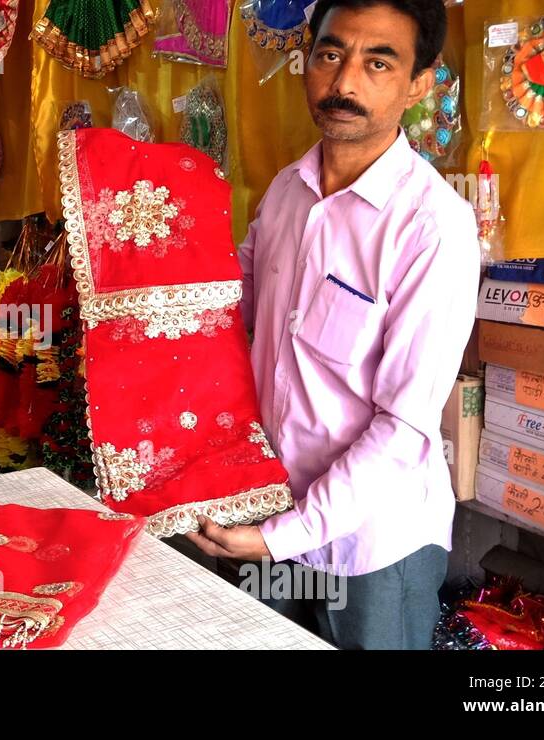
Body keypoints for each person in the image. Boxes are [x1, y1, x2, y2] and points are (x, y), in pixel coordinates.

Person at [184, 0, 479, 649]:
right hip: (268, 507)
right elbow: (232, 321)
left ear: (422, 82)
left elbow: (402, 429)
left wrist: (278, 536)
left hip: (372, 547)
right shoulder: (287, 192)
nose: (345, 83)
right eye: (330, 54)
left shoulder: (433, 227)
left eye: (379, 62)